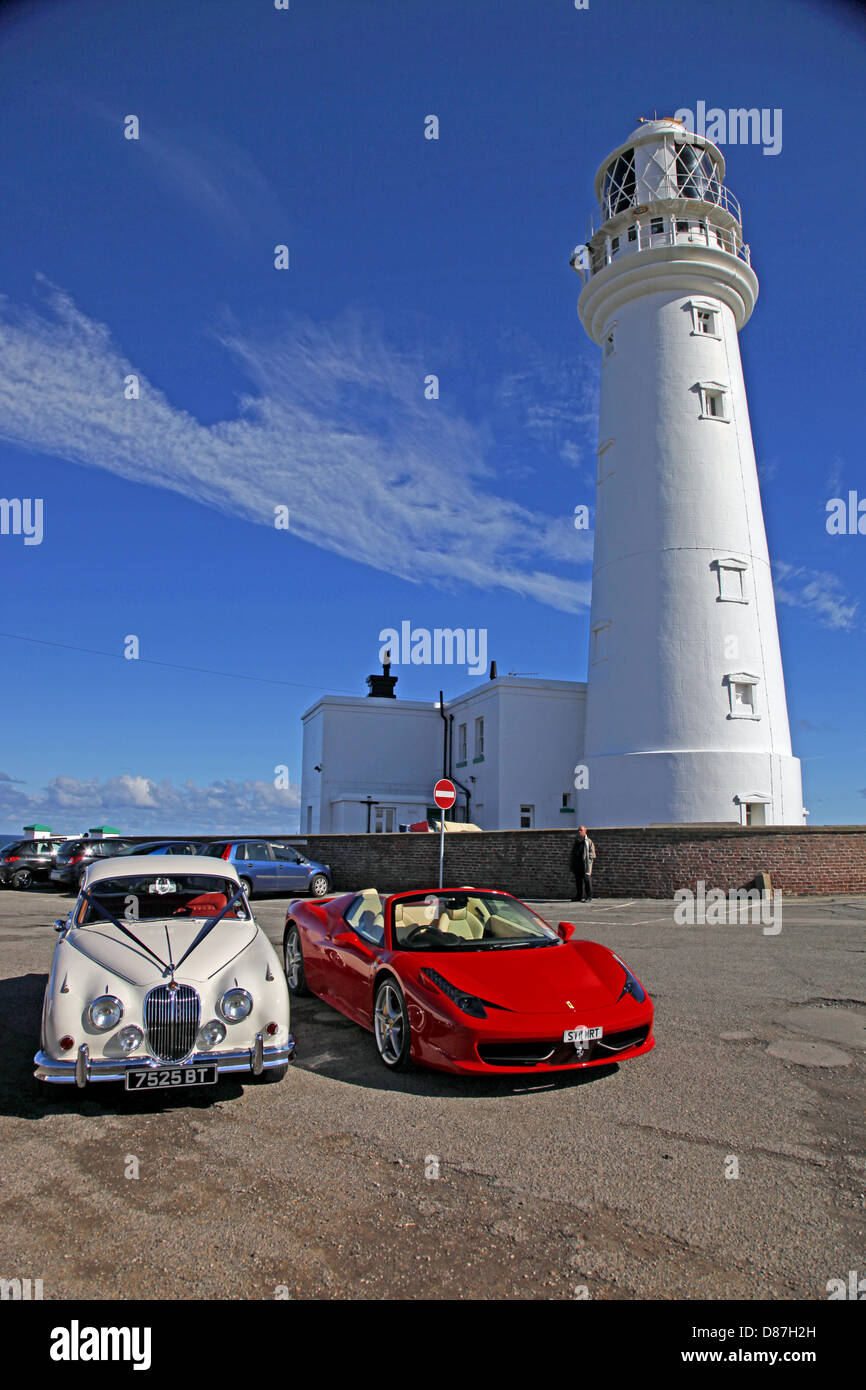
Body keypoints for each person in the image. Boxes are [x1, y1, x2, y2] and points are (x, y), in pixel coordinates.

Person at [571, 826, 596, 902]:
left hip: (585, 865)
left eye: (581, 830)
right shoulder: (576, 841)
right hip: (577, 865)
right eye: (578, 830)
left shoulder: (588, 841)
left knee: (587, 880)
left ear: (585, 831)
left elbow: (592, 854)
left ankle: (589, 897)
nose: (579, 832)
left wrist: (588, 860)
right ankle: (579, 896)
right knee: (578, 881)